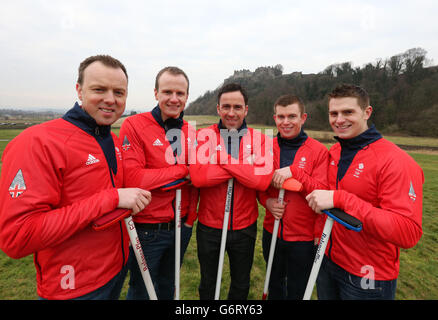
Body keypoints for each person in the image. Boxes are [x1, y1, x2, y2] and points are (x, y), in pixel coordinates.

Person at [0, 55, 152, 300]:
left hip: (115, 271)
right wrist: (111, 198)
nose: (111, 100)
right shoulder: (37, 142)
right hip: (74, 289)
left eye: (119, 92)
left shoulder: (111, 140)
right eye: (99, 89)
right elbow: (18, 237)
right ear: (79, 90)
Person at [306, 83, 424, 300]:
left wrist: (342, 199)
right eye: (334, 113)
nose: (339, 120)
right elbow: (326, 199)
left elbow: (408, 232)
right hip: (327, 260)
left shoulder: (396, 161)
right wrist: (317, 234)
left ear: (367, 112)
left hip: (367, 276)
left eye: (348, 112)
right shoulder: (335, 150)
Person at [189, 82, 273, 300]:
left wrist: (219, 160)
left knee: (241, 283)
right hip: (209, 227)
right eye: (226, 106)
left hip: (244, 227)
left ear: (246, 109)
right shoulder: (203, 136)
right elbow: (198, 178)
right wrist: (244, 165)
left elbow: (262, 181)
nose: (231, 112)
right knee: (208, 283)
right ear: (218, 109)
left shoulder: (261, 139)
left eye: (237, 107)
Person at [120, 66, 198, 300]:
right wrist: (181, 171)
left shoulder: (190, 131)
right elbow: (134, 178)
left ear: (186, 96)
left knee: (169, 287)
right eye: (167, 92)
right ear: (156, 93)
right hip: (147, 229)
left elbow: (197, 181)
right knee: (143, 291)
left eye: (180, 93)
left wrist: (190, 221)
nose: (174, 99)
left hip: (180, 227)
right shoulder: (133, 125)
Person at [258, 94, 328, 299]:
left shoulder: (319, 151)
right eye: (281, 117)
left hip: (304, 238)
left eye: (292, 116)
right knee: (274, 286)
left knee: (297, 290)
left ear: (303, 118)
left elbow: (322, 190)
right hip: (272, 231)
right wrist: (267, 201)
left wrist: (296, 172)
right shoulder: (266, 147)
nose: (286, 122)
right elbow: (257, 184)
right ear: (274, 118)